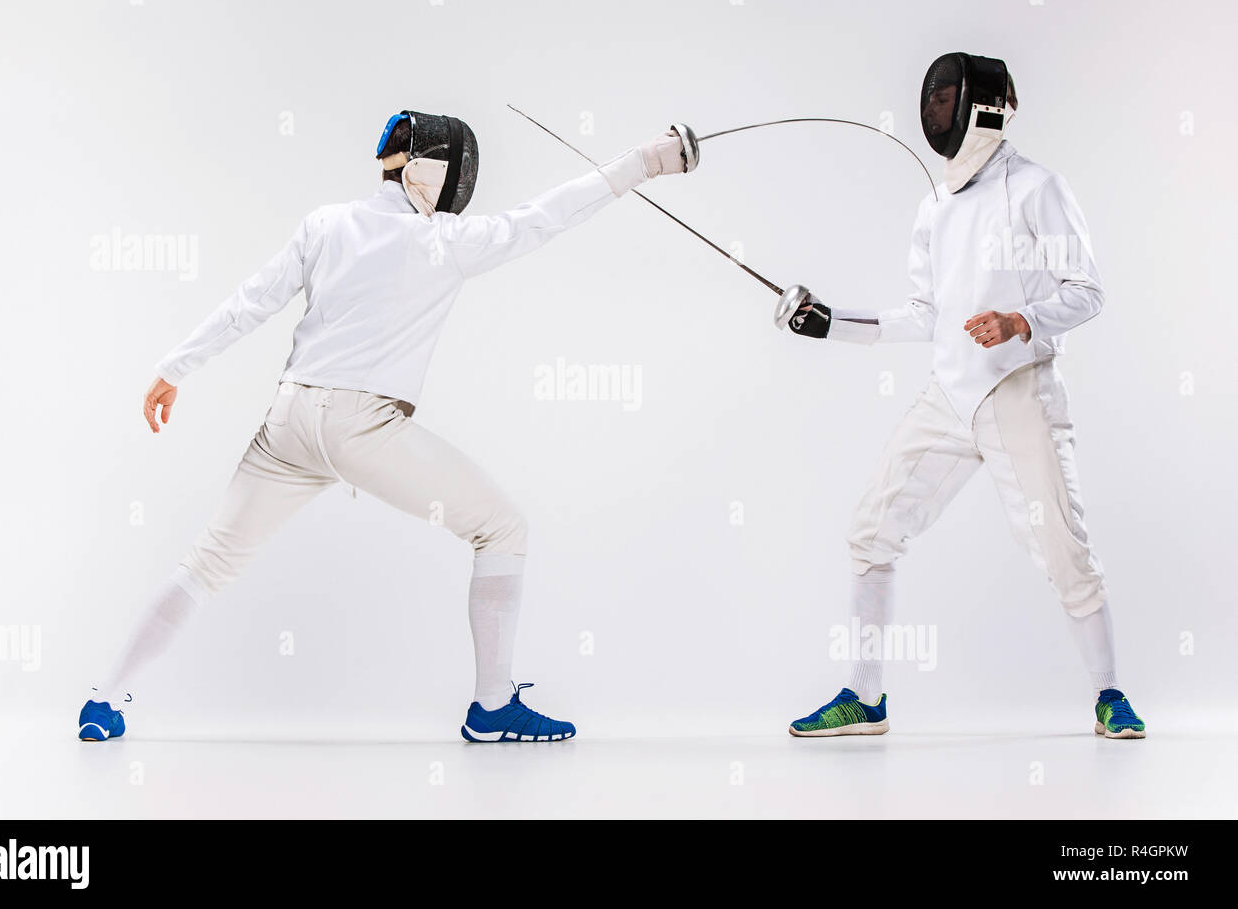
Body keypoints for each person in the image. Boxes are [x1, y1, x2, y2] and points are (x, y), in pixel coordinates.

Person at [78, 110, 694, 743]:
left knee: (206, 565)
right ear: (435, 169)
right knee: (503, 527)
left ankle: (103, 701)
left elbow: (252, 301)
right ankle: (491, 707)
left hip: (287, 423)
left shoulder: (325, 223)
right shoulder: (444, 242)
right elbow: (545, 216)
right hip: (361, 429)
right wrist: (647, 160)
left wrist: (174, 368)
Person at [781, 54, 1145, 739]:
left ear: (985, 105)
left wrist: (1021, 320)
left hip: (1017, 393)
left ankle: (1110, 694)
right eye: (934, 99)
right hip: (948, 397)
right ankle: (864, 697)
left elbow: (1087, 290)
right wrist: (832, 324)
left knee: (1064, 551)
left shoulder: (1038, 187)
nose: (938, 111)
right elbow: (925, 314)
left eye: (949, 98)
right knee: (871, 529)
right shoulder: (935, 205)